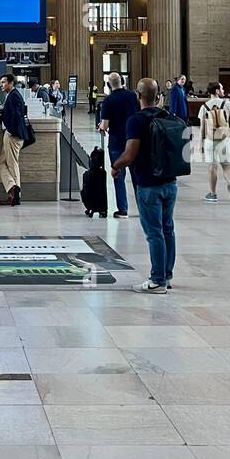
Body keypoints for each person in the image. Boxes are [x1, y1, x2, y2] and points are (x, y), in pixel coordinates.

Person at [112, 79, 177, 295]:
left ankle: (157, 280)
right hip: (170, 181)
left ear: (138, 96)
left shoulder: (136, 121)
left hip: (148, 184)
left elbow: (130, 154)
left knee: (154, 232)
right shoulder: (168, 117)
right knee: (168, 229)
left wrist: (115, 166)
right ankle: (166, 275)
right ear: (158, 95)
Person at [96, 71, 138, 218]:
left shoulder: (108, 101)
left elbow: (105, 125)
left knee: (118, 175)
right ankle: (143, 206)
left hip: (116, 141)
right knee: (136, 175)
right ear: (122, 82)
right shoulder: (132, 96)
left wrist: (101, 126)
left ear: (108, 85)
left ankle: (123, 209)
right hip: (134, 140)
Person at [198, 82, 230, 202]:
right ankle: (229, 183)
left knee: (212, 167)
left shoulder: (204, 107)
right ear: (216, 91)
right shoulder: (227, 104)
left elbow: (202, 128)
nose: (223, 90)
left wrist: (201, 143)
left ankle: (213, 194)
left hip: (211, 140)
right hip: (224, 139)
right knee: (226, 166)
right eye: (221, 88)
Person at [0, 71, 27, 205]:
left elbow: (16, 116)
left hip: (12, 135)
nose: (1, 85)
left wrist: (10, 130)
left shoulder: (14, 96)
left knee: (12, 164)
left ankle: (16, 194)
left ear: (11, 83)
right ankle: (12, 188)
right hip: (10, 134)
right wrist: (2, 118)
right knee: (2, 163)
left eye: (3, 82)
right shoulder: (12, 95)